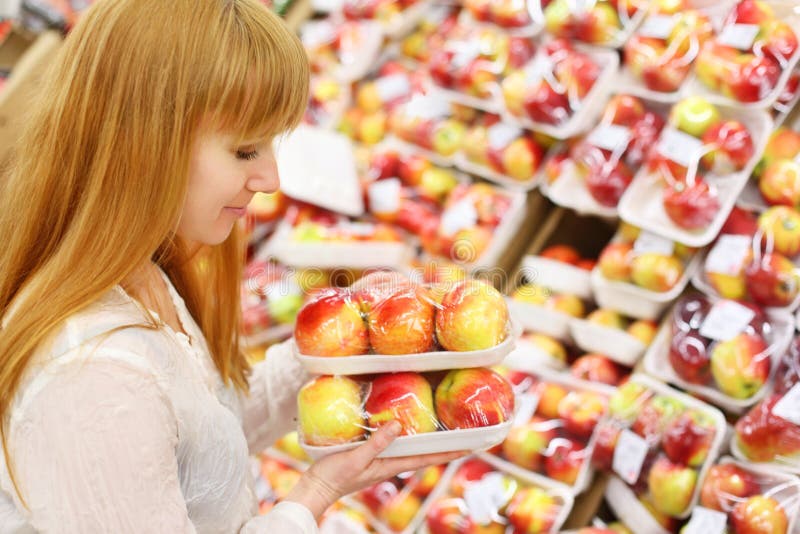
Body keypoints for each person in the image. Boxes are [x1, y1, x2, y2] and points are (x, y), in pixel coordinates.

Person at [0, 0, 464, 531]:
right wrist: (312, 496)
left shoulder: (142, 271)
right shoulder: (92, 382)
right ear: (145, 146)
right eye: (245, 150)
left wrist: (339, 342)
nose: (270, 178)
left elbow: (199, 441)